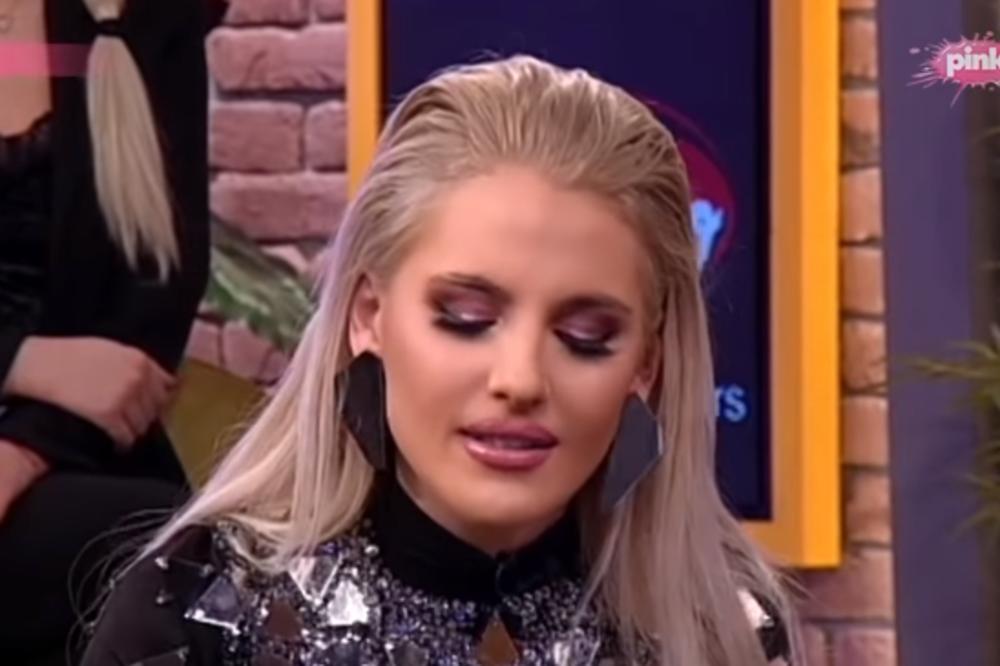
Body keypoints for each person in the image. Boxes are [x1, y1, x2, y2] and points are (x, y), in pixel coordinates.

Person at [81, 56, 796, 665]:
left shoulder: (725, 632)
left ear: (646, 363)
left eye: (585, 336)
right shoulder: (196, 613)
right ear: (369, 316)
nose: (520, 380)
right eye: (467, 320)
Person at [0, 0, 224, 663]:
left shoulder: (143, 17)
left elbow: (150, 305)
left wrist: (18, 454)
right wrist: (19, 361)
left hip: (61, 447)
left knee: (167, 554)